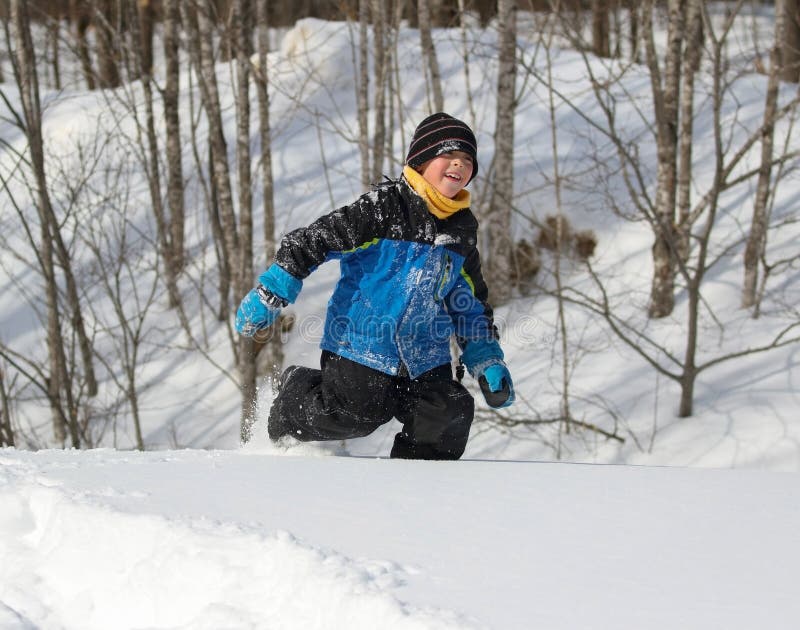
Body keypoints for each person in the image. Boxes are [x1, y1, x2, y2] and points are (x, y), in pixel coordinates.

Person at [235, 112, 514, 460]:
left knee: (448, 414)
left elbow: (468, 301)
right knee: (358, 412)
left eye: (468, 160)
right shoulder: (383, 211)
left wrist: (486, 358)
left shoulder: (460, 234)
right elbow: (313, 241)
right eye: (450, 155)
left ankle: (412, 490)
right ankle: (293, 401)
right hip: (361, 342)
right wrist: (270, 292)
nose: (460, 164)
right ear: (422, 159)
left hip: (424, 354)